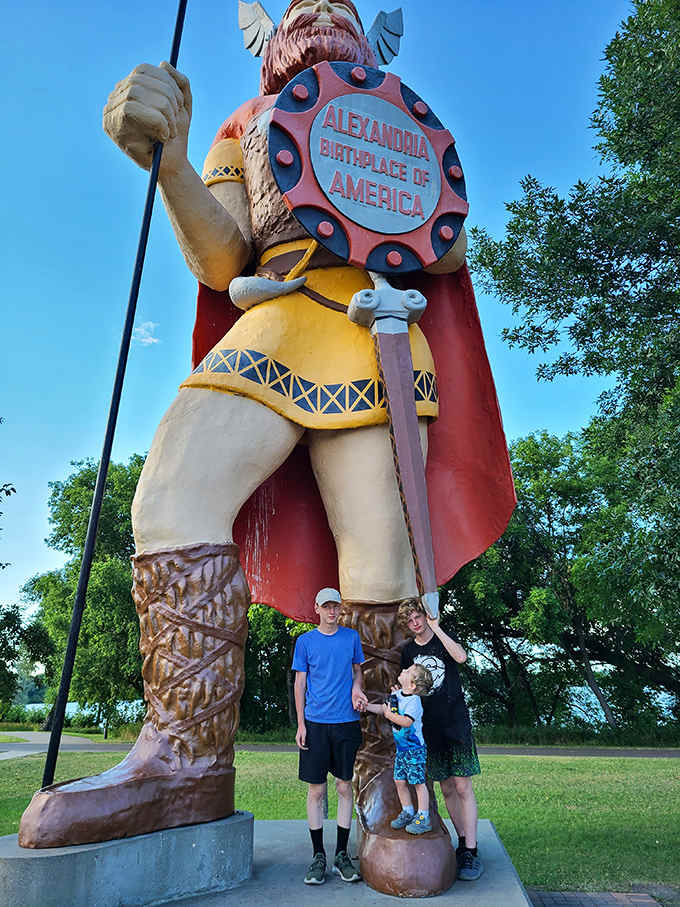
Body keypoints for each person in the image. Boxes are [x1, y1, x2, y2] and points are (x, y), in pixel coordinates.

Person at [19, 0, 515, 856]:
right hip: (273, 323)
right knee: (170, 498)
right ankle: (185, 762)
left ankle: (382, 773)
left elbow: (447, 247)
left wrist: (389, 163)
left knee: (380, 559)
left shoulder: (392, 116)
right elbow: (221, 257)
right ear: (267, 32)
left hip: (376, 334)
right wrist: (171, 159)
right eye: (301, 3)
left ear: (369, 34)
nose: (319, 8)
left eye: (340, 3)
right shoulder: (244, 124)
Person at [398, 600, 484, 881]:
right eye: (410, 620)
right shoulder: (408, 651)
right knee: (446, 788)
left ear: (425, 615)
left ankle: (472, 849)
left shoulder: (443, 638)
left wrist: (437, 628)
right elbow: (406, 689)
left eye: (418, 616)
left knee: (462, 785)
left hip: (455, 722)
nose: (415, 623)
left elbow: (461, 657)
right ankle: (462, 843)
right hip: (430, 728)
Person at [292, 587, 366, 884]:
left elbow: (358, 671)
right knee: (316, 790)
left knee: (344, 786)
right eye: (327, 607)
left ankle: (341, 855)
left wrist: (357, 687)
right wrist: (301, 725)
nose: (332, 611)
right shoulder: (305, 642)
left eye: (336, 606)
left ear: (340, 608)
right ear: (317, 609)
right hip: (315, 724)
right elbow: (299, 684)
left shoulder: (351, 638)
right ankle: (318, 856)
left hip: (346, 722)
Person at [361, 663, 433, 834]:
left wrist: (389, 714)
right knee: (399, 781)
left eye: (408, 671)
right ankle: (407, 811)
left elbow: (406, 722)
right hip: (402, 751)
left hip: (415, 750)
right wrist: (367, 706)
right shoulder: (397, 695)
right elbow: (383, 708)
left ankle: (423, 817)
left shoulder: (414, 701)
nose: (403, 670)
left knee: (418, 783)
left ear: (413, 685)